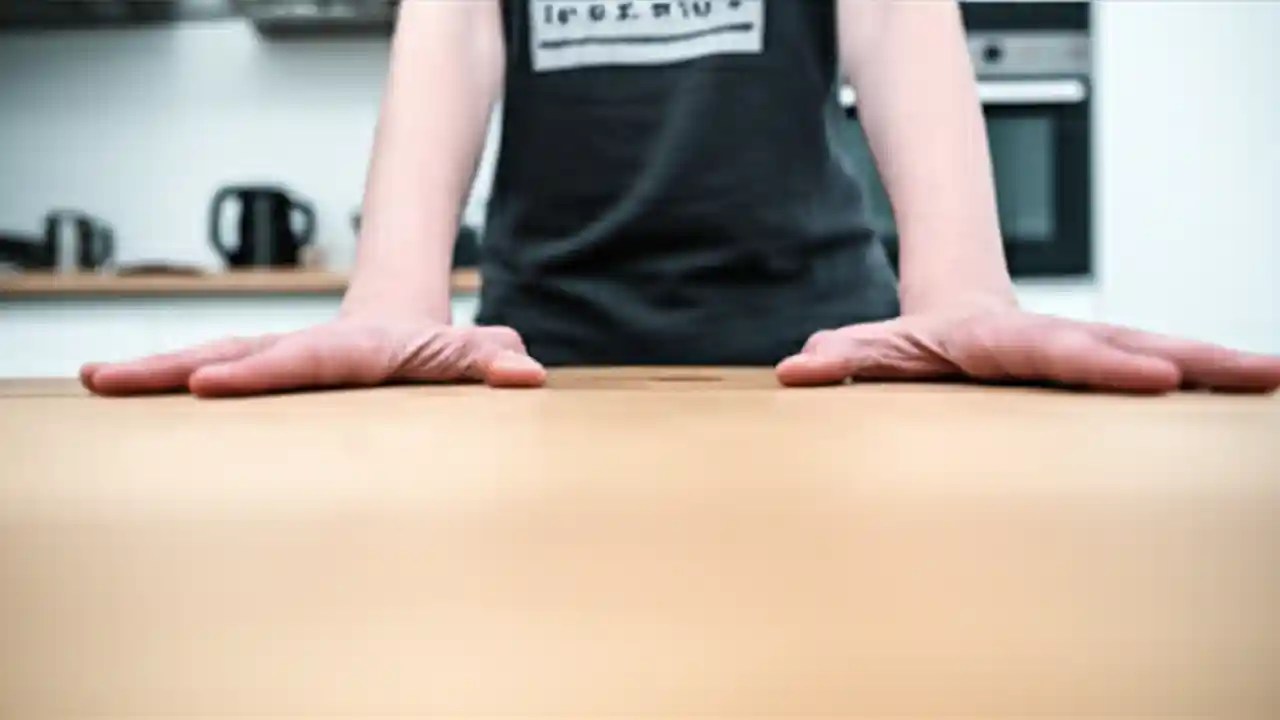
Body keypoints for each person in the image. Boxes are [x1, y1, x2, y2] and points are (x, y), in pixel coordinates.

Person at [80, 0, 1280, 397]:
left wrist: (962, 287)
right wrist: (390, 301)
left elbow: (893, 13)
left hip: (833, 370)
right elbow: (448, 26)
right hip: (534, 382)